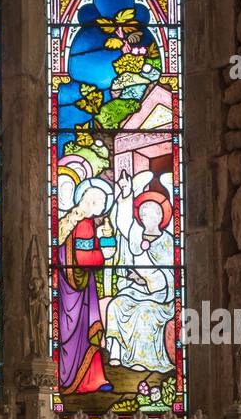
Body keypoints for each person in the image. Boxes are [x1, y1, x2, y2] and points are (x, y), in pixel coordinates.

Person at [106, 170, 174, 373]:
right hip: (136, 291)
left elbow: (171, 276)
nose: (146, 216)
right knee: (116, 305)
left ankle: (144, 360)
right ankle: (116, 353)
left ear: (160, 215)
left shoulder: (168, 241)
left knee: (144, 312)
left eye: (150, 212)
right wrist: (126, 194)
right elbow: (124, 223)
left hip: (160, 297)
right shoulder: (136, 236)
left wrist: (149, 282)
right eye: (142, 213)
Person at [56, 171, 114, 397]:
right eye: (94, 199)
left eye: (100, 202)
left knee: (79, 334)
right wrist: (104, 255)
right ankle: (85, 380)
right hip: (75, 289)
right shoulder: (84, 224)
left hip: (73, 287)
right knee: (81, 332)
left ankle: (80, 378)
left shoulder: (72, 221)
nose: (97, 205)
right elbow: (83, 258)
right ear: (84, 198)